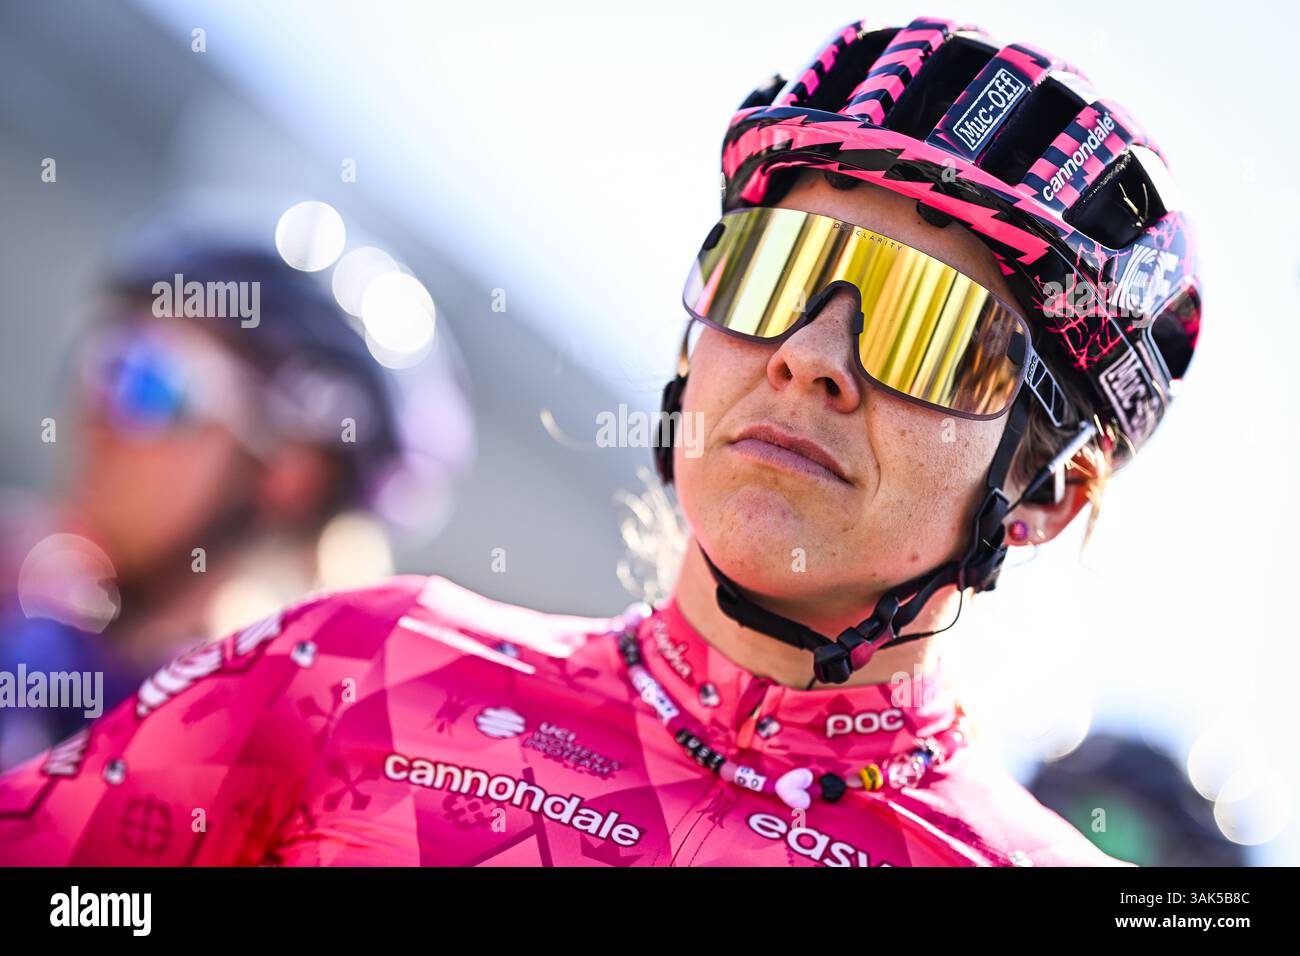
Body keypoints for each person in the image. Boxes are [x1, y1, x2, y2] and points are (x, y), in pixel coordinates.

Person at [0, 15, 1199, 866]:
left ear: (1049, 488)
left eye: (928, 328)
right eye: (773, 273)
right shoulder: (361, 664)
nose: (810, 357)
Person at [0, 236, 410, 770]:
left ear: (288, 474)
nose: (95, 413)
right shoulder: (33, 628)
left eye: (147, 380)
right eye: (102, 359)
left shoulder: (222, 777)